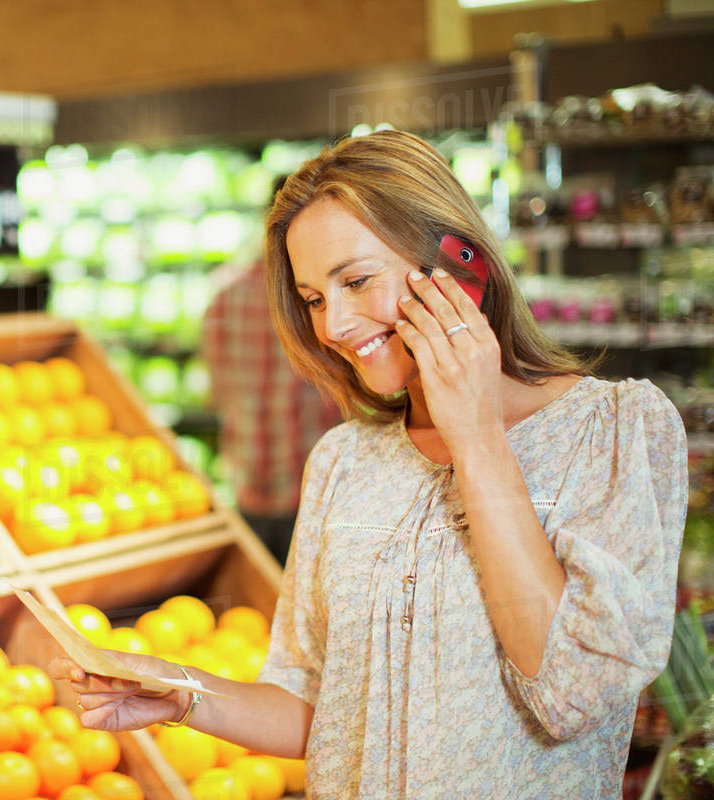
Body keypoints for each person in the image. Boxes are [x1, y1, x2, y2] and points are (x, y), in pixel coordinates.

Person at [50, 130, 688, 798]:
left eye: (356, 281)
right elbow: (324, 714)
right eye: (315, 299)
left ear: (460, 265)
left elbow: (574, 693)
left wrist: (474, 435)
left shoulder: (618, 433)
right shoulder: (342, 461)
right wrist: (182, 692)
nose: (334, 327)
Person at [202, 180, 341, 565]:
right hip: (314, 487)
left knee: (260, 609)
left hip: (248, 481)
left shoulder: (224, 300)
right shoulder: (324, 299)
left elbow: (217, 392)